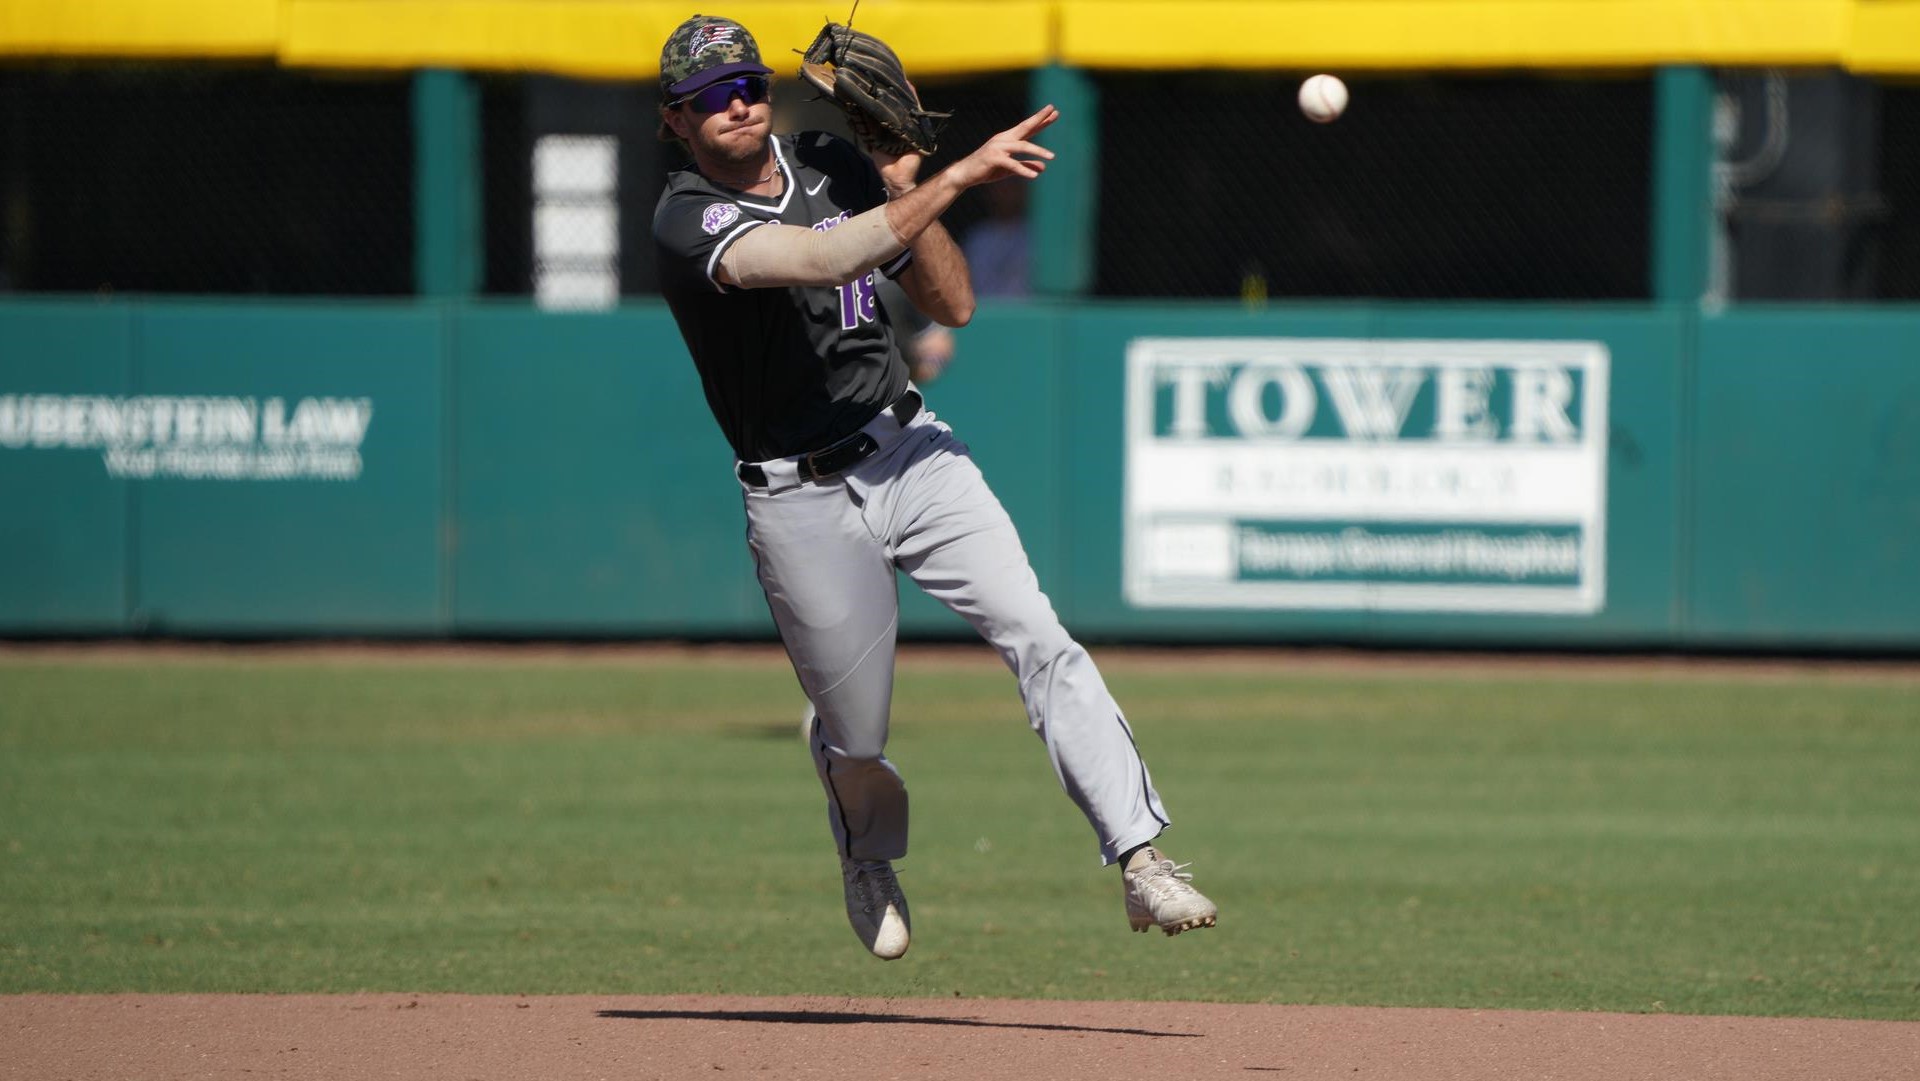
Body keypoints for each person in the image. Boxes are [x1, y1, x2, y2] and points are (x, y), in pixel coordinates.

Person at [650, 14, 1217, 961]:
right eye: (709, 96)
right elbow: (824, 257)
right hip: (798, 496)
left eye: (746, 81)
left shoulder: (830, 161)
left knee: (1040, 637)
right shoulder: (684, 218)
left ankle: (1142, 859)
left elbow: (953, 301)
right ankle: (867, 857)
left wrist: (904, 188)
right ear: (676, 121)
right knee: (856, 732)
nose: (737, 102)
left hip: (909, 449)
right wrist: (949, 176)